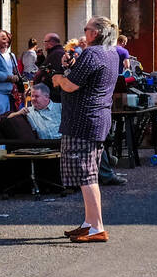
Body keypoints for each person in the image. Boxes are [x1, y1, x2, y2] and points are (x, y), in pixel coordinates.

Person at [52, 16, 120, 243]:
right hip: (97, 118)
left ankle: (96, 227)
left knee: (86, 174)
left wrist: (58, 78)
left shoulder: (93, 53)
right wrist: (70, 66)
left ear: (96, 33)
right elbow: (84, 77)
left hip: (83, 120)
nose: (84, 33)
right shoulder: (112, 53)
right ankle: (89, 223)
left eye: (86, 29)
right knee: (88, 172)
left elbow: (71, 85)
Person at [40, 32, 67, 102]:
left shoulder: (56, 54)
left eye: (45, 41)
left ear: (51, 42)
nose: (44, 44)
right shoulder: (55, 53)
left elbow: (52, 73)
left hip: (54, 96)